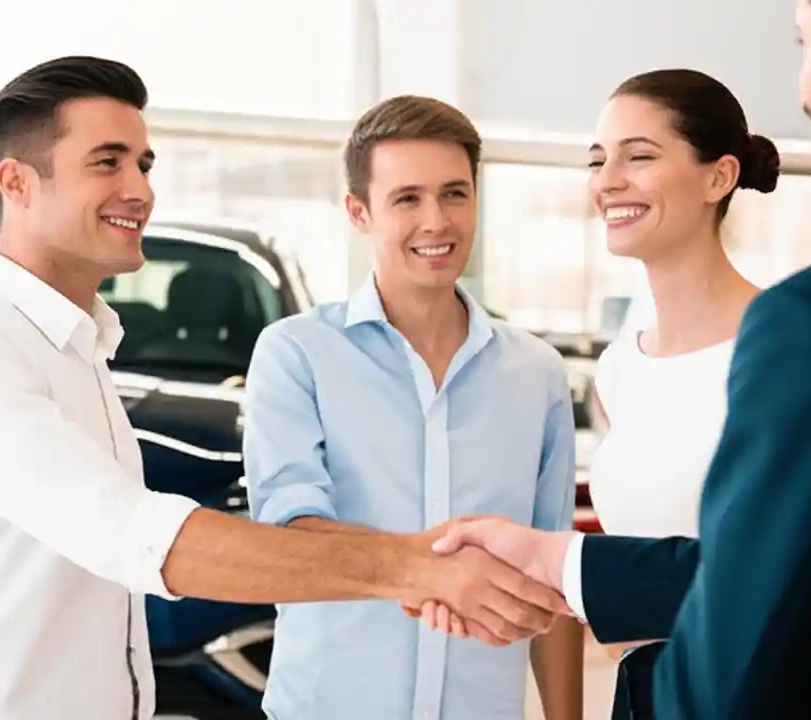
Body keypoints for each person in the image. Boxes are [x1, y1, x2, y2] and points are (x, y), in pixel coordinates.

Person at [0, 56, 565, 720]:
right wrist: (419, 568)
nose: (140, 189)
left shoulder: (80, 351)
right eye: (106, 162)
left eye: (143, 165)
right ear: (18, 183)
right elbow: (135, 535)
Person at [426, 0, 811, 716]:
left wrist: (563, 564)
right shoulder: (625, 366)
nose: (608, 180)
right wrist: (545, 571)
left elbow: (775, 594)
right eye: (599, 159)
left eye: (803, 43)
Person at [242, 95, 583, 720]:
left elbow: (555, 577)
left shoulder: (536, 373)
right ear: (359, 211)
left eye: (455, 194)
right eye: (407, 198)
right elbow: (290, 538)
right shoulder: (297, 355)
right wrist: (425, 571)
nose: (437, 222)